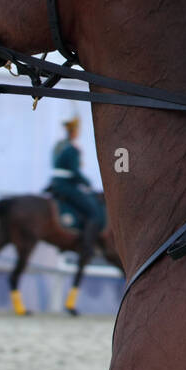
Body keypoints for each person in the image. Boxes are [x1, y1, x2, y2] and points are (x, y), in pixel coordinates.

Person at [45, 115, 106, 311]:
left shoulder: (59, 146)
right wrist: (88, 184)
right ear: (74, 132)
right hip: (66, 185)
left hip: (56, 184)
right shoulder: (71, 149)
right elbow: (74, 172)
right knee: (94, 212)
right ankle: (87, 246)